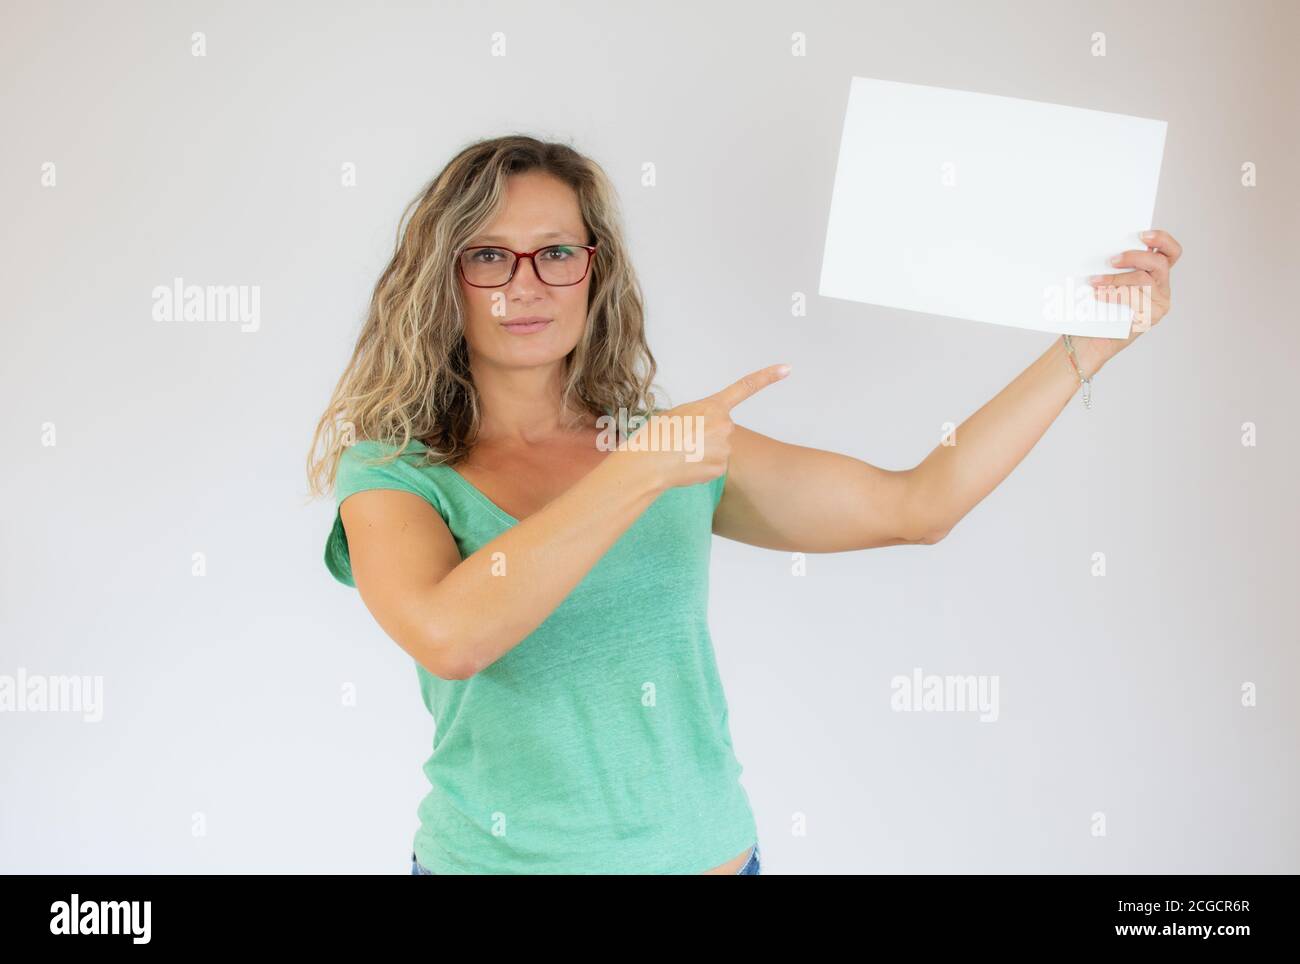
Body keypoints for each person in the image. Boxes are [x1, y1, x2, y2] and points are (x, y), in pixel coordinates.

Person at [306, 134, 1180, 875]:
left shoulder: (675, 447)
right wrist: (638, 470)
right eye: (489, 255)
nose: (525, 284)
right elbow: (453, 637)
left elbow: (919, 503)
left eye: (557, 251)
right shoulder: (392, 470)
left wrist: (1089, 344)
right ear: (444, 277)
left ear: (593, 270)